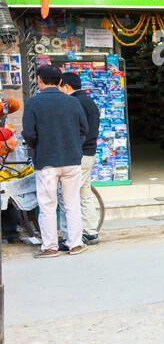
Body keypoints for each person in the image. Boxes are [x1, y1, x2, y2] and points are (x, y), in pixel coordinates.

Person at [22, 64, 89, 256]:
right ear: (60, 81)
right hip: (71, 160)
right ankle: (75, 244)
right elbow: (83, 130)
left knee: (47, 205)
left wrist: (37, 146)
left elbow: (29, 134)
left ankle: (50, 247)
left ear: (40, 81)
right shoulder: (72, 102)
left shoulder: (34, 103)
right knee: (72, 203)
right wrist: (74, 146)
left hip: (46, 161)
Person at [60, 70, 101, 245]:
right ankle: (90, 232)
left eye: (60, 86)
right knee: (85, 194)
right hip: (89, 153)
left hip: (80, 154)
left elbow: (77, 130)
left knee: (71, 196)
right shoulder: (89, 101)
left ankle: (74, 236)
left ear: (67, 86)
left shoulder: (74, 102)